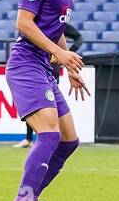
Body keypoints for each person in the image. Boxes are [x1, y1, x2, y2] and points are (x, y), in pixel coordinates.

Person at [5, 0, 88, 201]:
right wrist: (59, 55)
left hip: (43, 66)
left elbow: (56, 30)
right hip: (26, 65)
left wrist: (68, 65)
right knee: (50, 135)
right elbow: (23, 23)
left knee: (69, 140)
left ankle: (33, 200)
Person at [13, 21, 80, 149]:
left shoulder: (61, 24)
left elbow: (79, 39)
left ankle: (40, 138)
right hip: (34, 70)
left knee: (48, 107)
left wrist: (65, 54)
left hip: (51, 71)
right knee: (36, 107)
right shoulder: (35, 24)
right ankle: (30, 138)